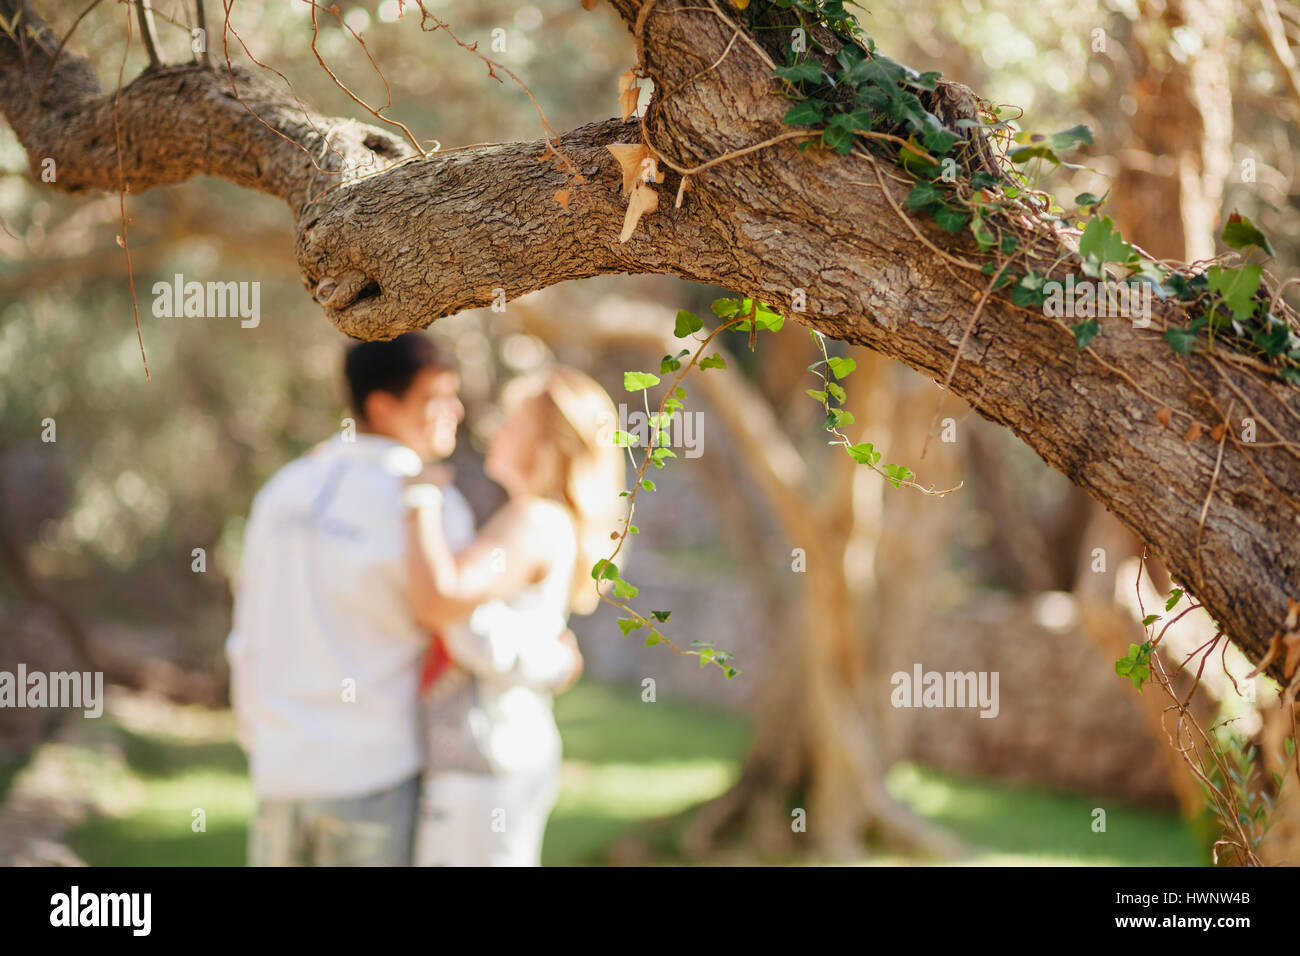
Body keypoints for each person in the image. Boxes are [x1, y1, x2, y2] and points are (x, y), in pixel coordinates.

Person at [225, 333, 474, 866]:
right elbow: (464, 631)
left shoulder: (281, 491)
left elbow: (247, 634)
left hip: (280, 769)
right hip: (373, 769)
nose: (457, 410)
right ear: (384, 406)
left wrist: (261, 741)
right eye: (438, 398)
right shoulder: (431, 505)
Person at [405, 366, 624, 866]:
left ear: (547, 444)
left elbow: (462, 619)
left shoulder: (533, 520)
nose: (495, 431)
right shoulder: (542, 519)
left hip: (486, 763)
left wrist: (420, 503)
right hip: (498, 755)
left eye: (512, 422)